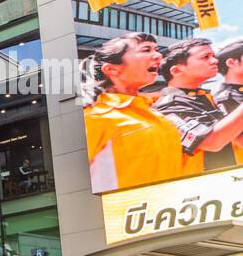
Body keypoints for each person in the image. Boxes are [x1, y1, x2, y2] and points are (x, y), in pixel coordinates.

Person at [81, 31, 203, 192]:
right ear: (112, 70)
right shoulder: (95, 116)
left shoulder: (156, 114)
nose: (158, 55)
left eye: (156, 49)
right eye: (146, 50)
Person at [154, 37, 243, 171]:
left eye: (213, 56)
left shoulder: (204, 97)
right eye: (205, 57)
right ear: (176, 71)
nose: (215, 60)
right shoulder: (168, 106)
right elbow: (213, 142)